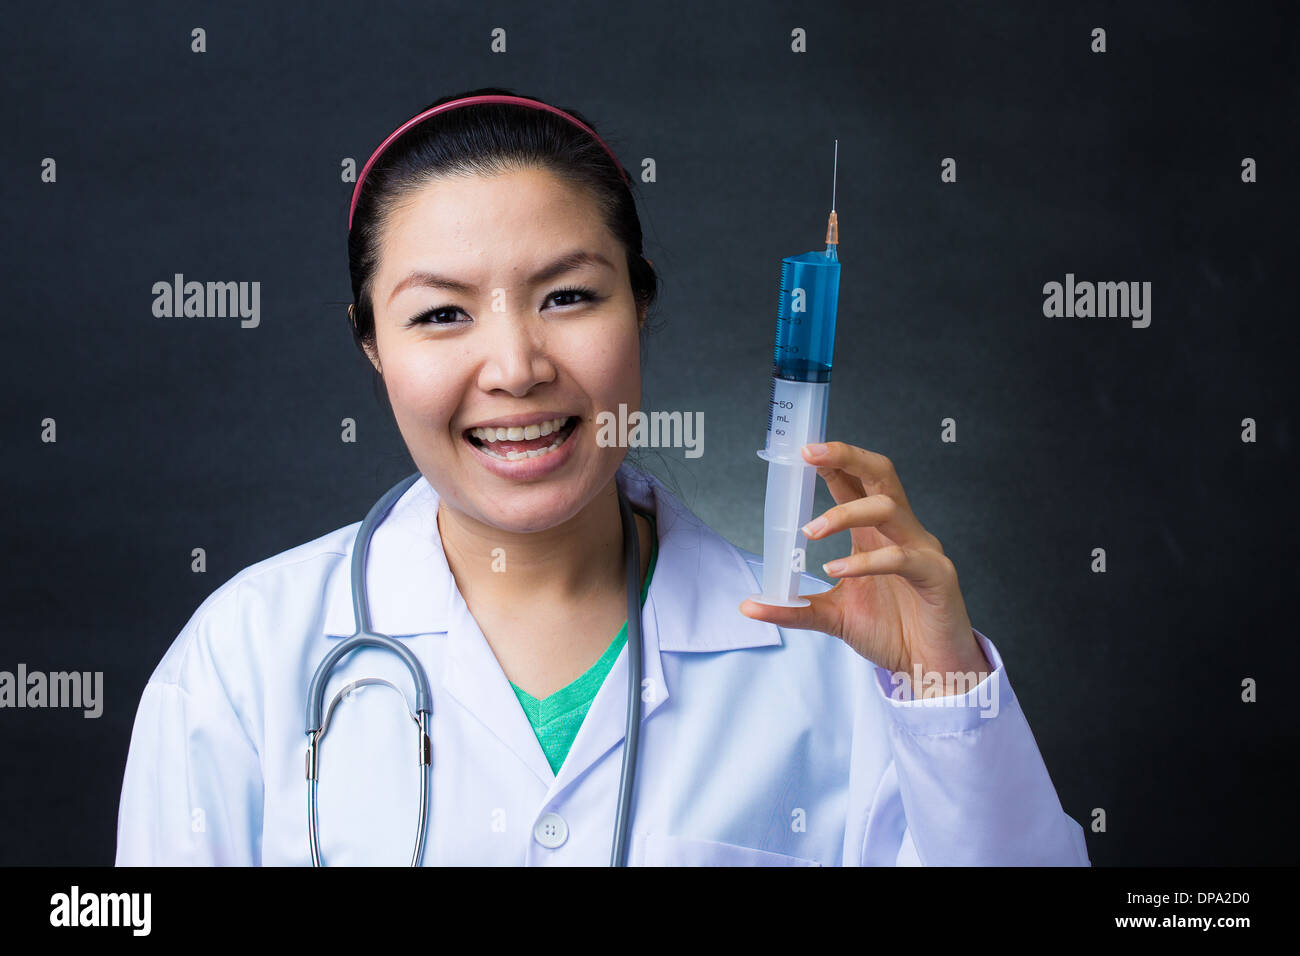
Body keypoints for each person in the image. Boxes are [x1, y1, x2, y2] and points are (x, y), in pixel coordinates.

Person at [115, 87, 1089, 866]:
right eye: (440, 313)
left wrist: (939, 687)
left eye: (569, 295)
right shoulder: (241, 664)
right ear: (372, 345)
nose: (516, 365)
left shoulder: (835, 662)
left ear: (641, 306)